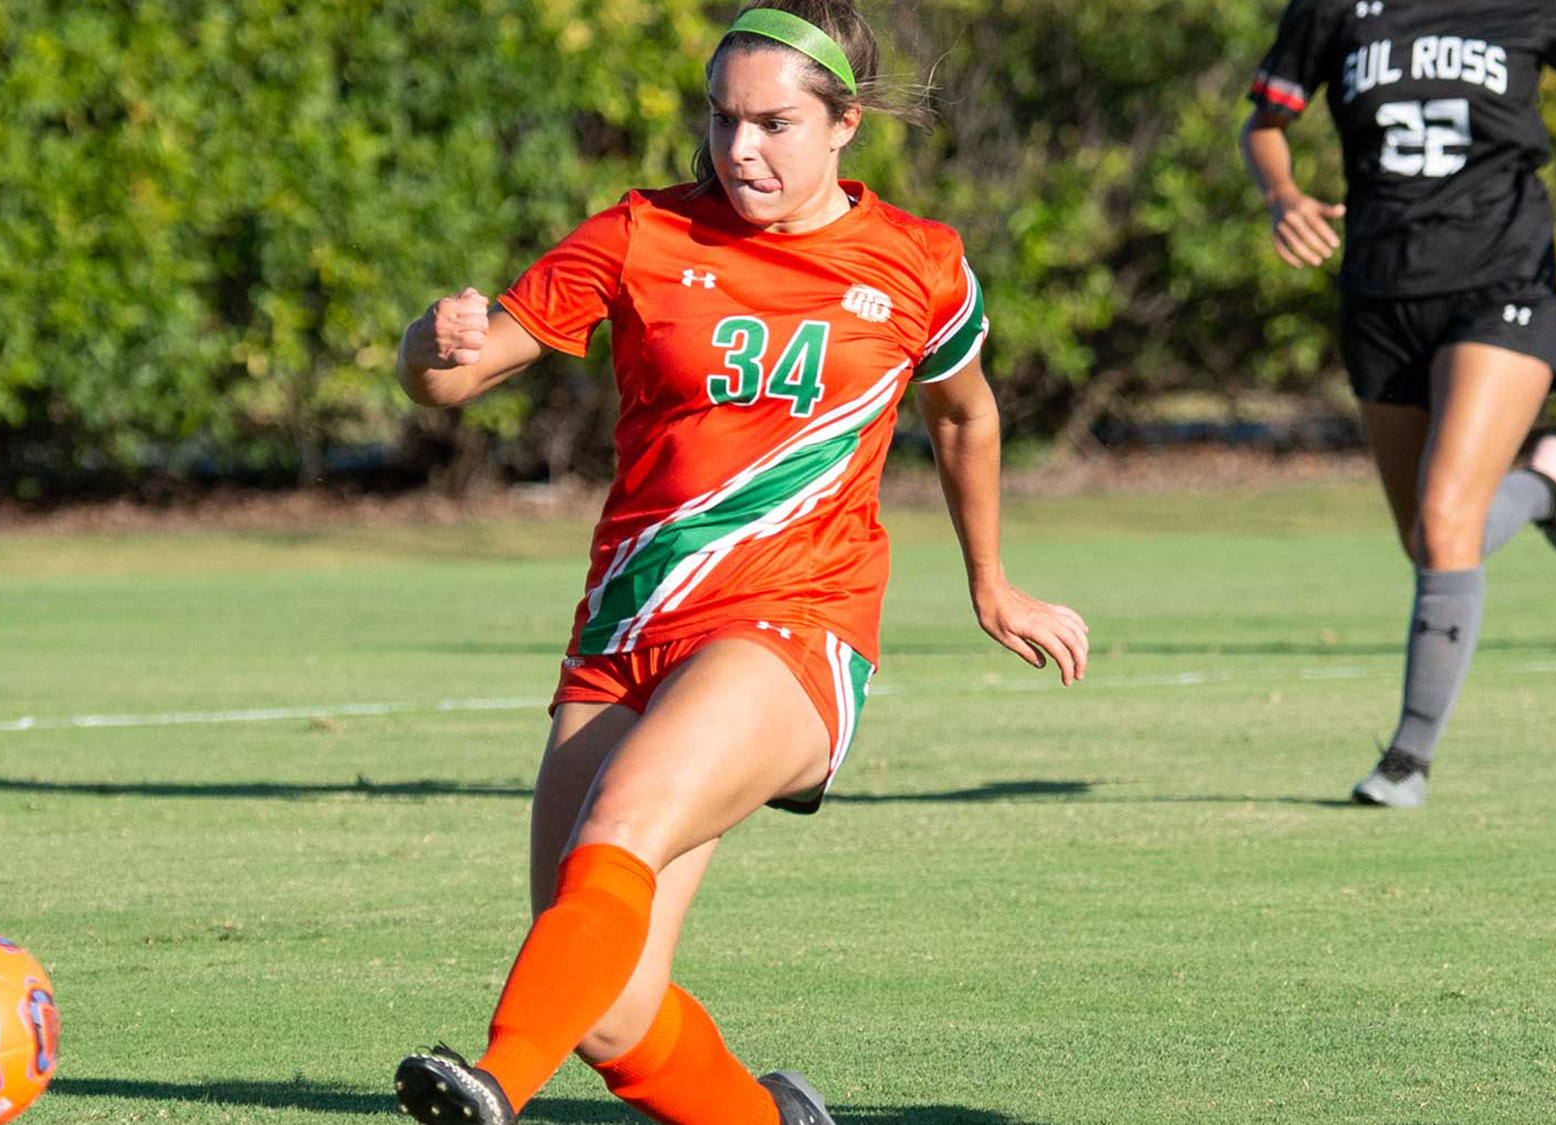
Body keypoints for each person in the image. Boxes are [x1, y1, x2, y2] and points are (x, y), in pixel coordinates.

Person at [387, 2, 1089, 1122]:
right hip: (622, 635)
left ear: (843, 123)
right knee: (609, 1008)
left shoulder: (918, 263)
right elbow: (452, 380)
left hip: (792, 626)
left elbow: (963, 417)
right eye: (721, 121)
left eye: (771, 123)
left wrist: (989, 584)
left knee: (617, 829)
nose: (738, 150)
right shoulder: (634, 237)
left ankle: (489, 1088)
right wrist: (430, 344)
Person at [1242, 0, 1556, 809]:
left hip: (1503, 283)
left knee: (1445, 523)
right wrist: (1283, 195)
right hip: (1380, 295)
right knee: (1428, 538)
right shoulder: (1333, 9)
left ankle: (1408, 757)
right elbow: (1264, 123)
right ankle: (1545, 484)